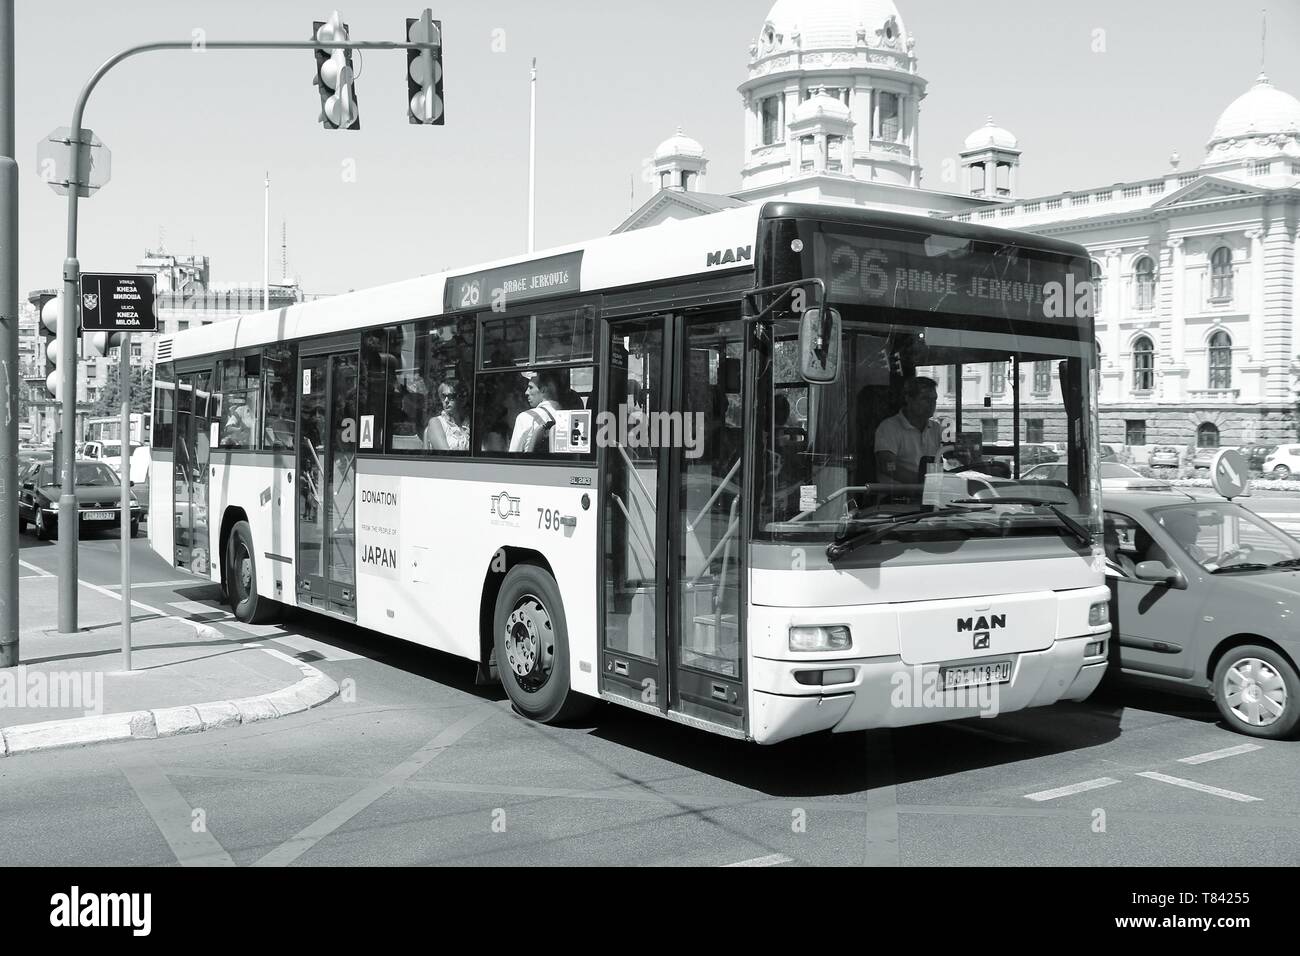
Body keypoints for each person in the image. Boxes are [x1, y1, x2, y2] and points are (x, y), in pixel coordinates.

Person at [873, 376, 944, 485]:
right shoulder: (889, 427)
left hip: (929, 493)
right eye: (925, 398)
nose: (931, 404)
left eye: (934, 399)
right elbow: (888, 466)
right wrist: (922, 482)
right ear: (909, 399)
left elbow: (944, 459)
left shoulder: (936, 428)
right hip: (896, 496)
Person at [509, 371, 562, 453]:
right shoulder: (565, 416)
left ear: (543, 390)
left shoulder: (525, 418)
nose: (526, 392)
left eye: (530, 387)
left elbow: (512, 457)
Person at [423, 380, 471, 451]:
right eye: (443, 396)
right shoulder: (436, 422)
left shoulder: (471, 423)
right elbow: (445, 456)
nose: (446, 400)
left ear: (463, 399)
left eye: (451, 396)